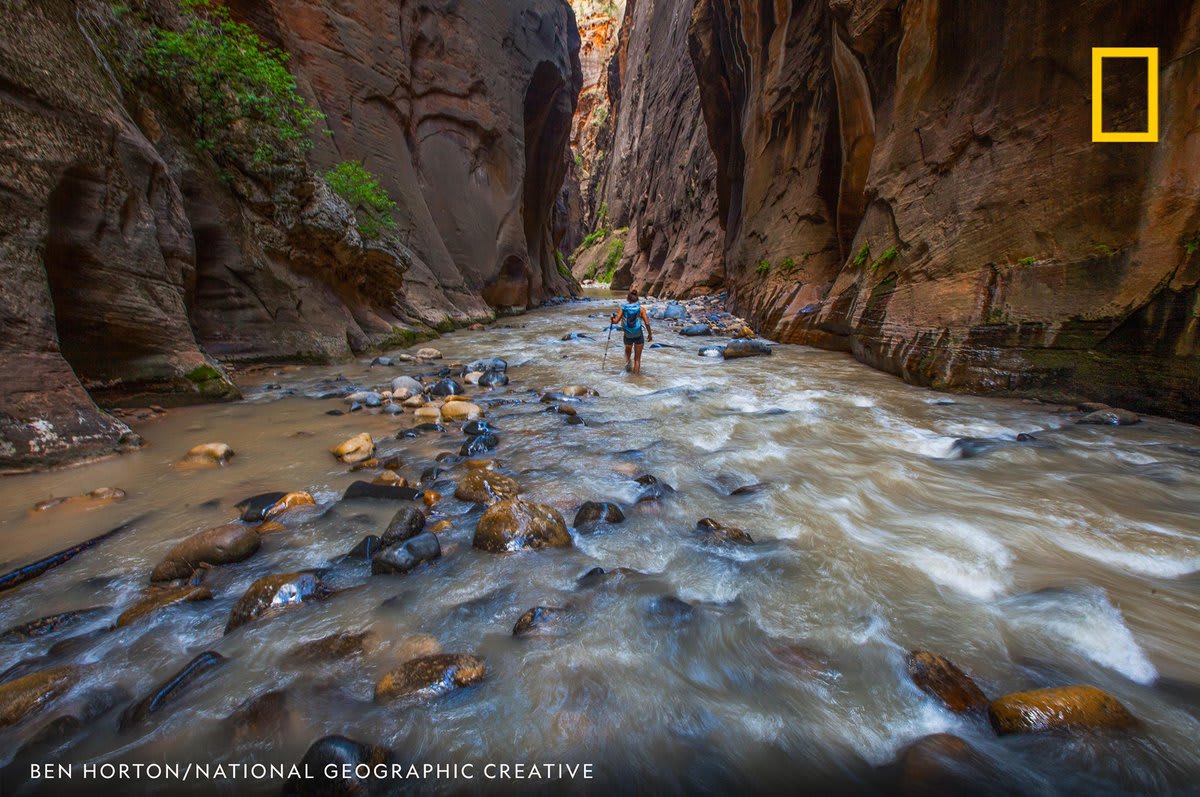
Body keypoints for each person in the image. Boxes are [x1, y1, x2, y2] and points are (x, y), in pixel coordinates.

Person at [611, 289, 653, 374]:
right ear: (637, 299)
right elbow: (647, 323)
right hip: (638, 335)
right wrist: (650, 334)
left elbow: (615, 322)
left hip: (627, 335)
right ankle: (636, 379)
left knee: (628, 350)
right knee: (637, 359)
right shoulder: (641, 309)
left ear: (628, 299)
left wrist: (612, 318)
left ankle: (628, 366)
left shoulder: (623, 309)